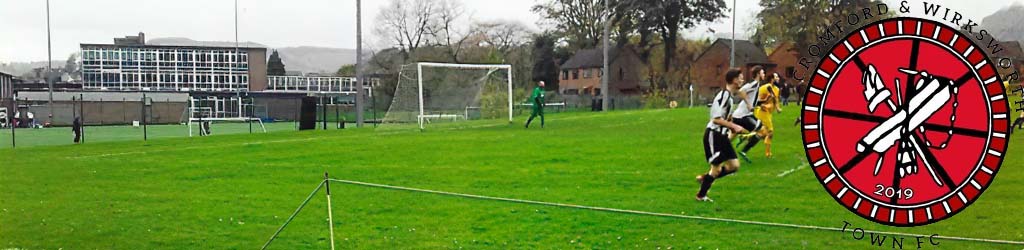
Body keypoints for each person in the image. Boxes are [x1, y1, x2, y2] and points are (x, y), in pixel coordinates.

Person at [696, 68, 749, 202]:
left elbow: (726, 118)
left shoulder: (730, 98)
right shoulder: (723, 95)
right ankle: (701, 195)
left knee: (734, 166)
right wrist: (734, 126)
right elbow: (716, 119)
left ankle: (706, 178)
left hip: (722, 137)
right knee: (716, 168)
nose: (742, 80)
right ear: (734, 80)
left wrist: (732, 127)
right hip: (713, 135)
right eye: (741, 78)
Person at [732, 66, 766, 163]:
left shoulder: (757, 85)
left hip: (741, 115)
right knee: (763, 132)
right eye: (763, 73)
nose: (764, 75)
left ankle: (718, 151)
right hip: (743, 115)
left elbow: (752, 98)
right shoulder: (754, 84)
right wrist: (748, 104)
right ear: (758, 74)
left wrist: (760, 104)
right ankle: (743, 150)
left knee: (731, 136)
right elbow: (741, 91)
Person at [755, 73, 783, 158]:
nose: (778, 78)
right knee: (770, 132)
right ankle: (768, 154)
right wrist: (762, 105)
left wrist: (777, 108)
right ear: (772, 79)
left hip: (769, 113)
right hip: (763, 112)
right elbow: (757, 99)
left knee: (764, 133)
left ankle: (745, 137)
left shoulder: (776, 89)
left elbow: (776, 100)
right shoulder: (764, 88)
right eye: (776, 77)